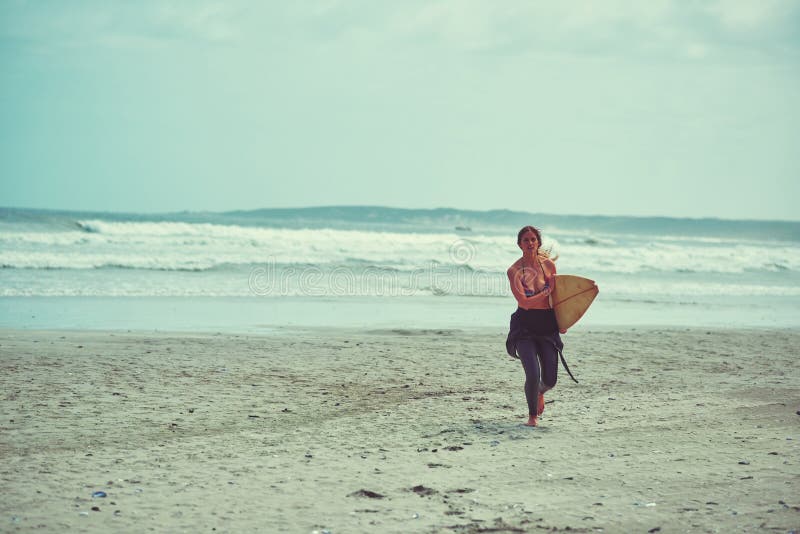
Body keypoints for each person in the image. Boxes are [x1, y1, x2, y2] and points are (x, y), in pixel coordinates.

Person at [505, 225, 563, 427]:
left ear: (538, 242)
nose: (530, 243)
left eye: (533, 240)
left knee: (550, 380)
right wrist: (546, 291)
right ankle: (532, 417)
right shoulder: (514, 271)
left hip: (547, 327)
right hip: (524, 328)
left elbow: (557, 299)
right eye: (525, 240)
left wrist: (563, 322)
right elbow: (524, 303)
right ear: (519, 244)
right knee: (532, 373)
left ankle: (539, 392)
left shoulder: (549, 266)